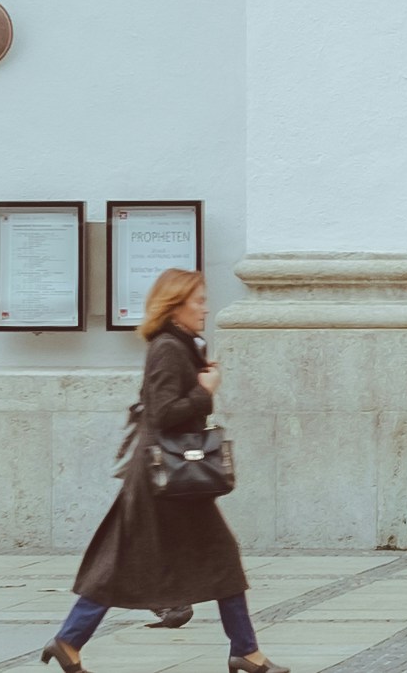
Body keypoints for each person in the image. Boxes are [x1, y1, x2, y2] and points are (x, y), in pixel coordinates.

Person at [41, 269, 284, 672]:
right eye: (199, 300)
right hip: (164, 482)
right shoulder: (168, 348)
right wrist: (204, 392)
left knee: (130, 562)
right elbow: (164, 413)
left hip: (166, 482)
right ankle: (245, 651)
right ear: (176, 305)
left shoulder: (181, 344)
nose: (206, 307)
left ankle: (69, 640)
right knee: (213, 558)